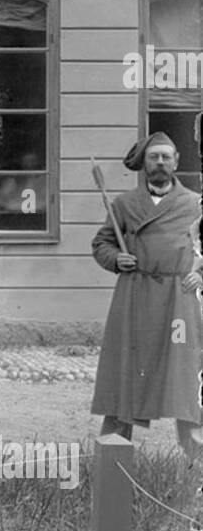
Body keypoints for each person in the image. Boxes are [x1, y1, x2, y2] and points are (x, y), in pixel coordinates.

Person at [91, 131, 203, 461]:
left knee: (185, 378)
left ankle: (197, 461)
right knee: (126, 374)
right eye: (154, 157)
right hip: (135, 297)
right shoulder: (124, 205)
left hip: (179, 299)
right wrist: (116, 259)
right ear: (144, 164)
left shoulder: (195, 204)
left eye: (166, 157)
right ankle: (112, 457)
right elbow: (102, 244)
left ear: (177, 162)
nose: (160, 163)